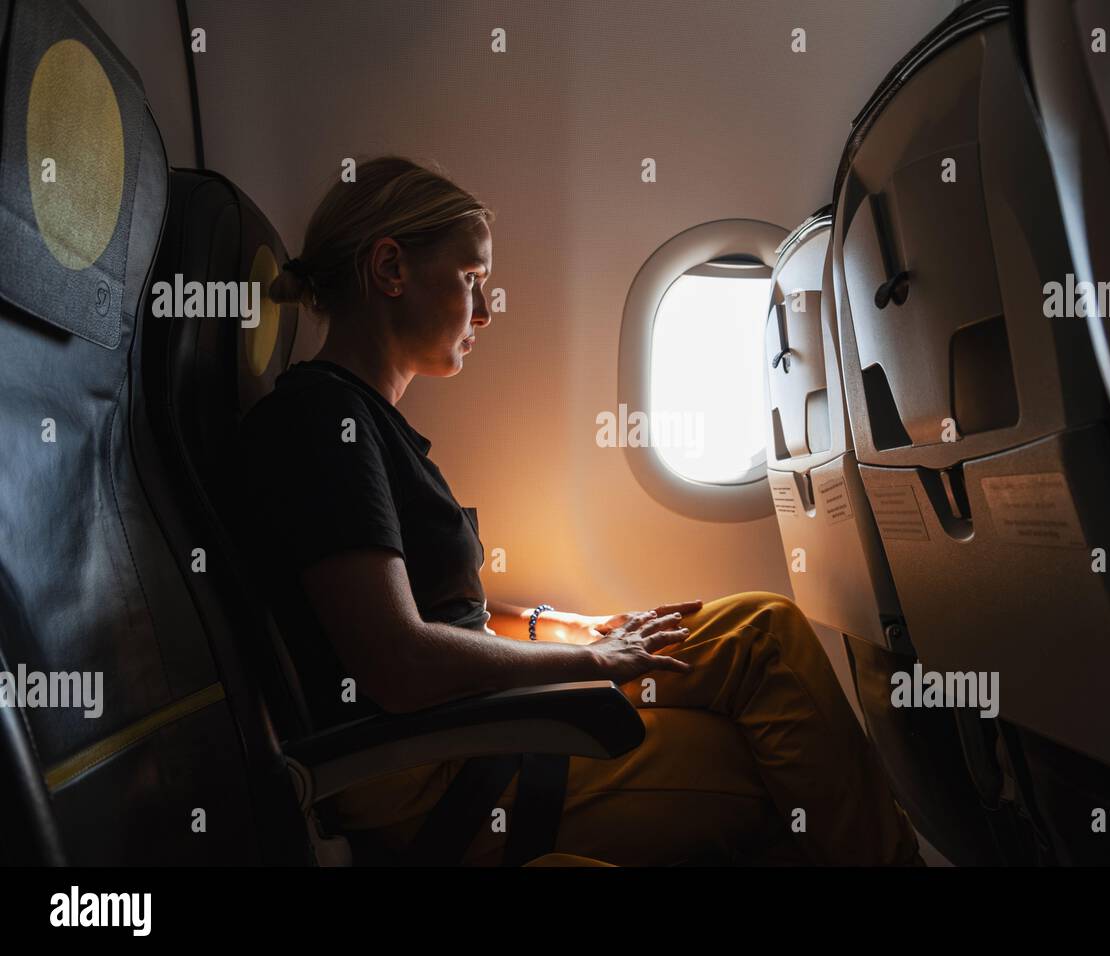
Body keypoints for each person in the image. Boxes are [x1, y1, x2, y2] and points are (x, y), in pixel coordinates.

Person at [238, 155, 920, 866]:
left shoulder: (364, 423)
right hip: (447, 773)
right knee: (764, 766)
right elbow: (397, 660)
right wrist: (588, 660)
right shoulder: (323, 423)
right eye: (472, 279)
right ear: (390, 269)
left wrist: (565, 627)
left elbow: (443, 616)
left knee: (762, 631)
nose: (487, 309)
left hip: (477, 727)